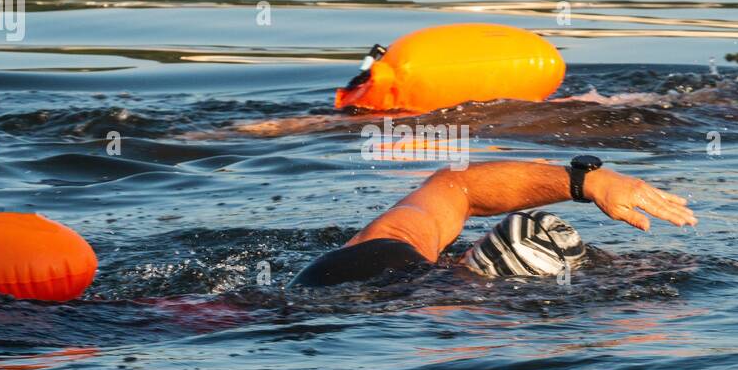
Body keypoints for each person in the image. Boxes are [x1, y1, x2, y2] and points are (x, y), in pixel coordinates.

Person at [290, 157, 696, 287]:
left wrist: (586, 181)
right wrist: (586, 180)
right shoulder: (459, 331)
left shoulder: (386, 255)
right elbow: (460, 186)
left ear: (473, 249)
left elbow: (456, 184)